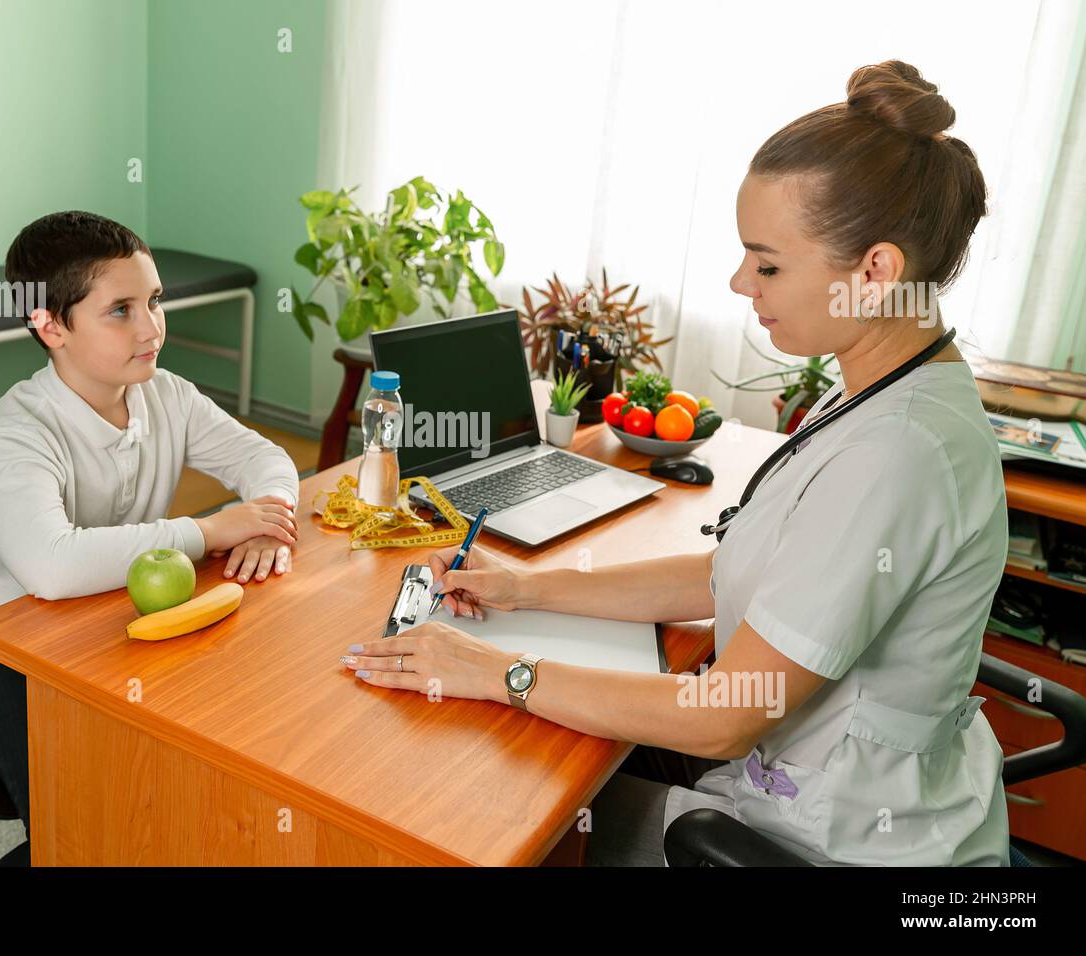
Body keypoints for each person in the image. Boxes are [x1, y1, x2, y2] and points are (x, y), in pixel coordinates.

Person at [338, 61, 1009, 866]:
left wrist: (495, 671)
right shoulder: (888, 383)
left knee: (503, 816)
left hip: (831, 843)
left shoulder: (898, 453)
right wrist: (526, 588)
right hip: (819, 787)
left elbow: (727, 712)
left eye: (766, 264)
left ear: (875, 272)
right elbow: (729, 573)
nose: (738, 282)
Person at [0, 211, 301, 859]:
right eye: (120, 310)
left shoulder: (168, 397)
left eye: (155, 301)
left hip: (100, 615)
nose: (152, 327)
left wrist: (269, 515)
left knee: (197, 763)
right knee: (87, 815)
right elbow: (53, 566)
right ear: (49, 326)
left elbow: (264, 460)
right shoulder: (17, 434)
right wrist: (210, 530)